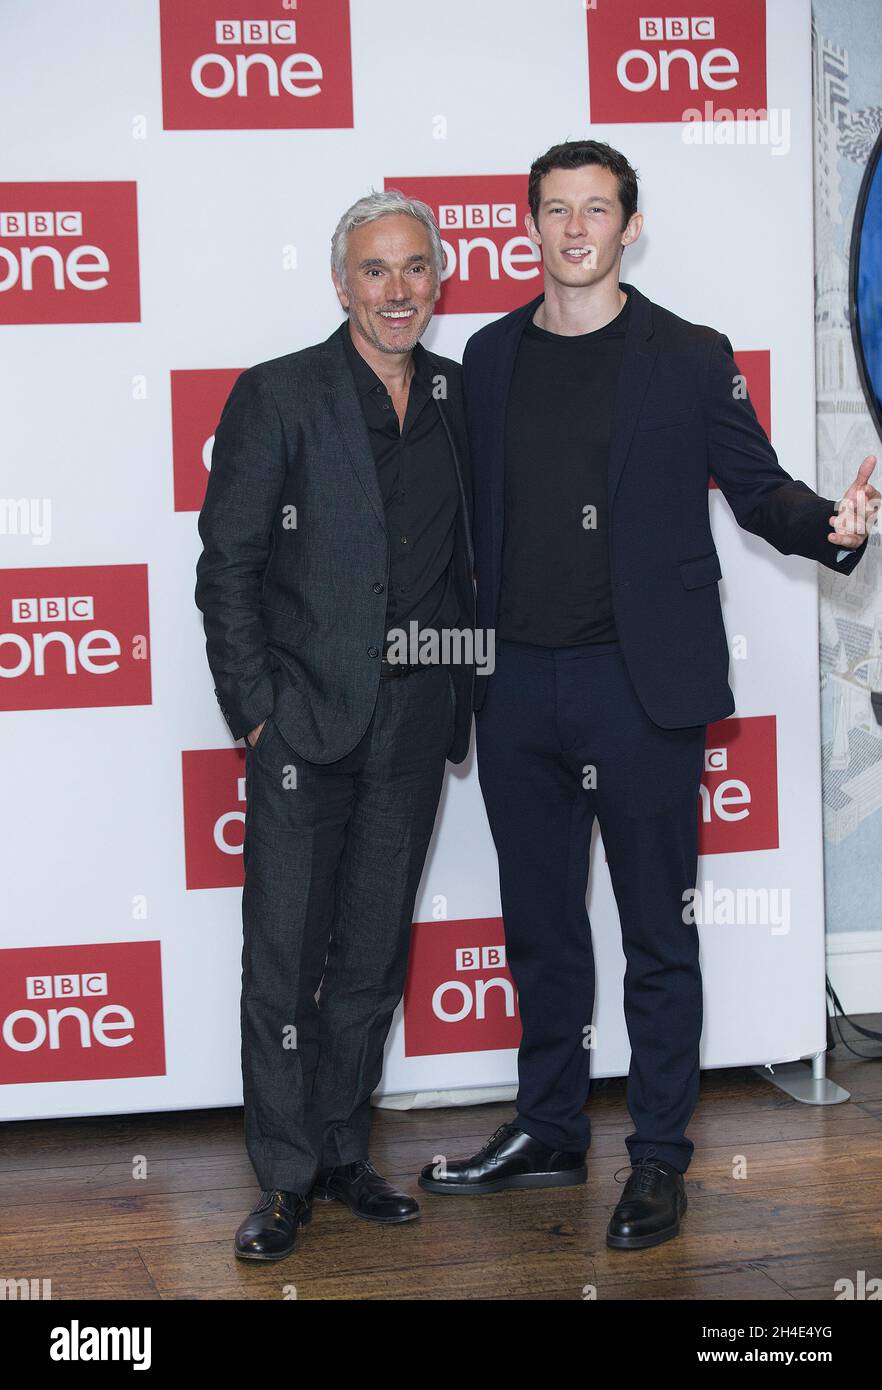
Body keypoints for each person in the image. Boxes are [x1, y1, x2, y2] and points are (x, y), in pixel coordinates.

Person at [418, 139, 878, 1250]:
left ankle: (660, 1159)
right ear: (529, 227)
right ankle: (548, 1131)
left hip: (642, 688)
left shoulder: (688, 356)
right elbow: (457, 518)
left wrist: (837, 528)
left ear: (631, 226)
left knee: (657, 940)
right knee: (540, 932)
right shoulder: (484, 357)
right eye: (555, 211)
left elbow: (758, 485)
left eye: (596, 210)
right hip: (518, 685)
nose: (574, 229)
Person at [195, 190, 475, 1261]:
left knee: (371, 953)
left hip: (417, 721)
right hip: (304, 726)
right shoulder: (280, 394)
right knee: (283, 962)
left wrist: (466, 682)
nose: (397, 290)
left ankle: (343, 1149)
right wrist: (257, 716)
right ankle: (282, 1178)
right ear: (340, 282)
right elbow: (230, 570)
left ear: (438, 280)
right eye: (375, 270)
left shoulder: (458, 393)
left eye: (415, 269)